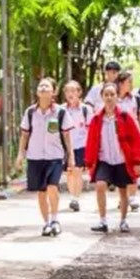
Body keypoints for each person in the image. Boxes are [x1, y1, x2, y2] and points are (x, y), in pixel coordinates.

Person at [16, 78, 75, 237]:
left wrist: (71, 156)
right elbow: (24, 135)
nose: (43, 88)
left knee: (52, 186)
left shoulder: (60, 113)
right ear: (37, 91)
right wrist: (20, 154)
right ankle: (46, 223)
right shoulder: (30, 112)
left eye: (46, 86)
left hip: (55, 156)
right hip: (35, 157)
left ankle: (55, 219)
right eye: (40, 85)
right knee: (41, 191)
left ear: (53, 92)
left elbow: (67, 136)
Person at [86, 83, 140, 233]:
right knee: (100, 185)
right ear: (101, 97)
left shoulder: (125, 117)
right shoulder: (96, 119)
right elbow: (91, 141)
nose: (109, 98)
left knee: (123, 190)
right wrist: (89, 161)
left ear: (117, 97)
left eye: (112, 94)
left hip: (121, 160)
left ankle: (123, 220)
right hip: (104, 159)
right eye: (106, 95)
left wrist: (137, 161)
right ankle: (102, 220)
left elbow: (136, 139)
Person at [114, 73, 140, 211]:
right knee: (120, 167)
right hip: (117, 137)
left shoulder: (136, 99)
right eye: (129, 82)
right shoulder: (113, 99)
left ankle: (132, 197)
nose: (131, 85)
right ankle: (122, 197)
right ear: (121, 84)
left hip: (134, 137)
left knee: (134, 165)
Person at [62, 80, 92, 212]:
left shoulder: (86, 110)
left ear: (79, 93)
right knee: (69, 172)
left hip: (81, 144)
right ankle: (72, 195)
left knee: (78, 171)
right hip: (66, 146)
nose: (70, 94)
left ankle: (75, 198)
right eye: (68, 91)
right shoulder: (61, 110)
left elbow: (90, 129)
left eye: (73, 91)